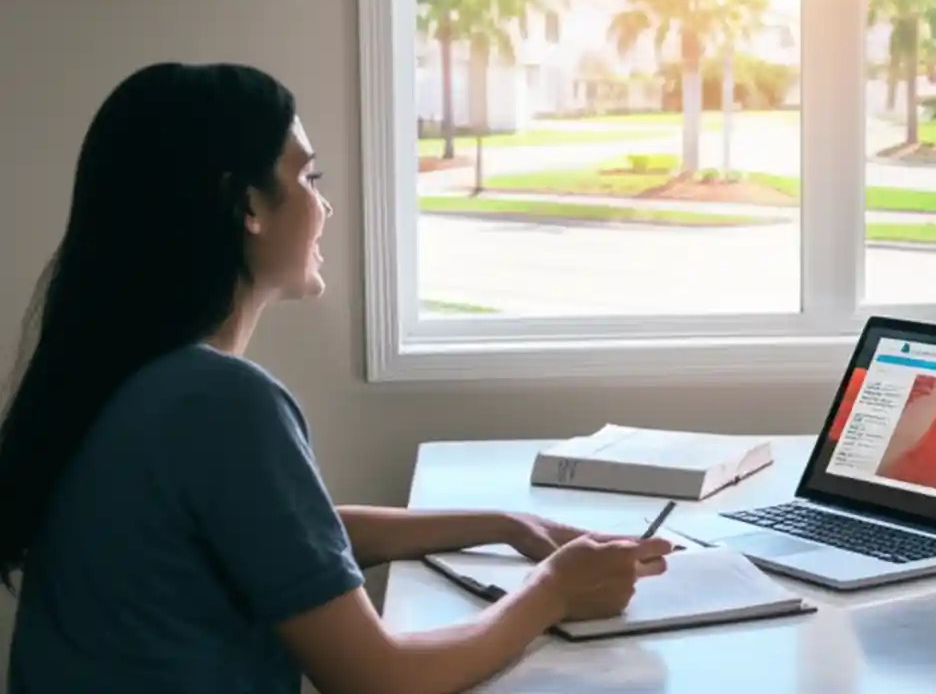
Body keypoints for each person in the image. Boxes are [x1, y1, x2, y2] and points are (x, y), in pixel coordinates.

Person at [0, 63, 672, 694]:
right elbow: (380, 678)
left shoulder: (125, 377)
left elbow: (296, 534)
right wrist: (553, 589)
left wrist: (506, 523)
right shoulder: (219, 403)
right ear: (247, 205)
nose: (325, 208)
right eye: (309, 178)